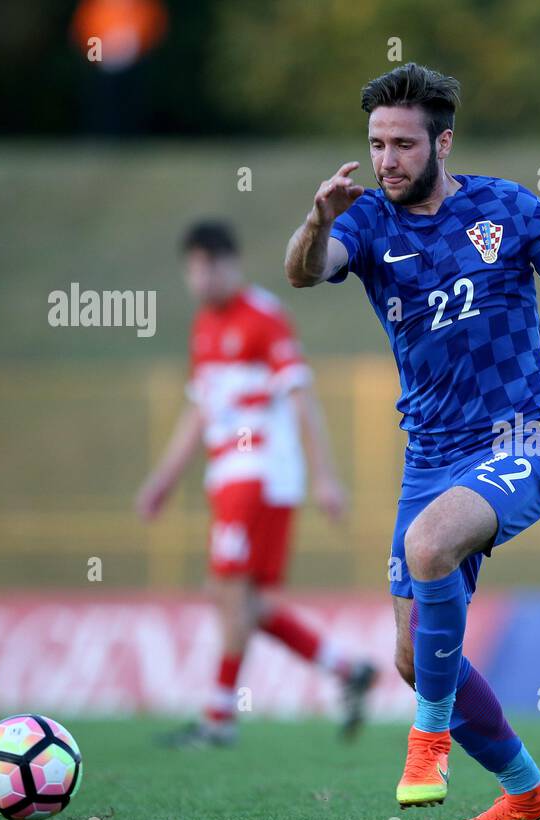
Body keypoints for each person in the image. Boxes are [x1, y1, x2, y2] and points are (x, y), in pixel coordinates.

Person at [284, 64, 540, 820]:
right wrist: (318, 219)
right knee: (411, 654)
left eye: (402, 144)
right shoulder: (364, 222)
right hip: (430, 454)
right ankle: (530, 791)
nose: (387, 159)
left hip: (523, 435)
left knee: (429, 549)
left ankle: (428, 739)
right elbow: (303, 271)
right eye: (376, 144)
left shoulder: (506, 207)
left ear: (442, 141)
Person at [137, 220, 375, 746]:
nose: (200, 278)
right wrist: (163, 480)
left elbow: (300, 397)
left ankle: (219, 719)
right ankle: (345, 669)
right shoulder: (204, 327)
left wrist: (326, 478)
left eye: (208, 266)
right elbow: (199, 413)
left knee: (227, 591)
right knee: (243, 600)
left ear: (229, 264)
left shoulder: (263, 318)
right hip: (227, 476)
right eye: (192, 269)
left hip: (260, 473)